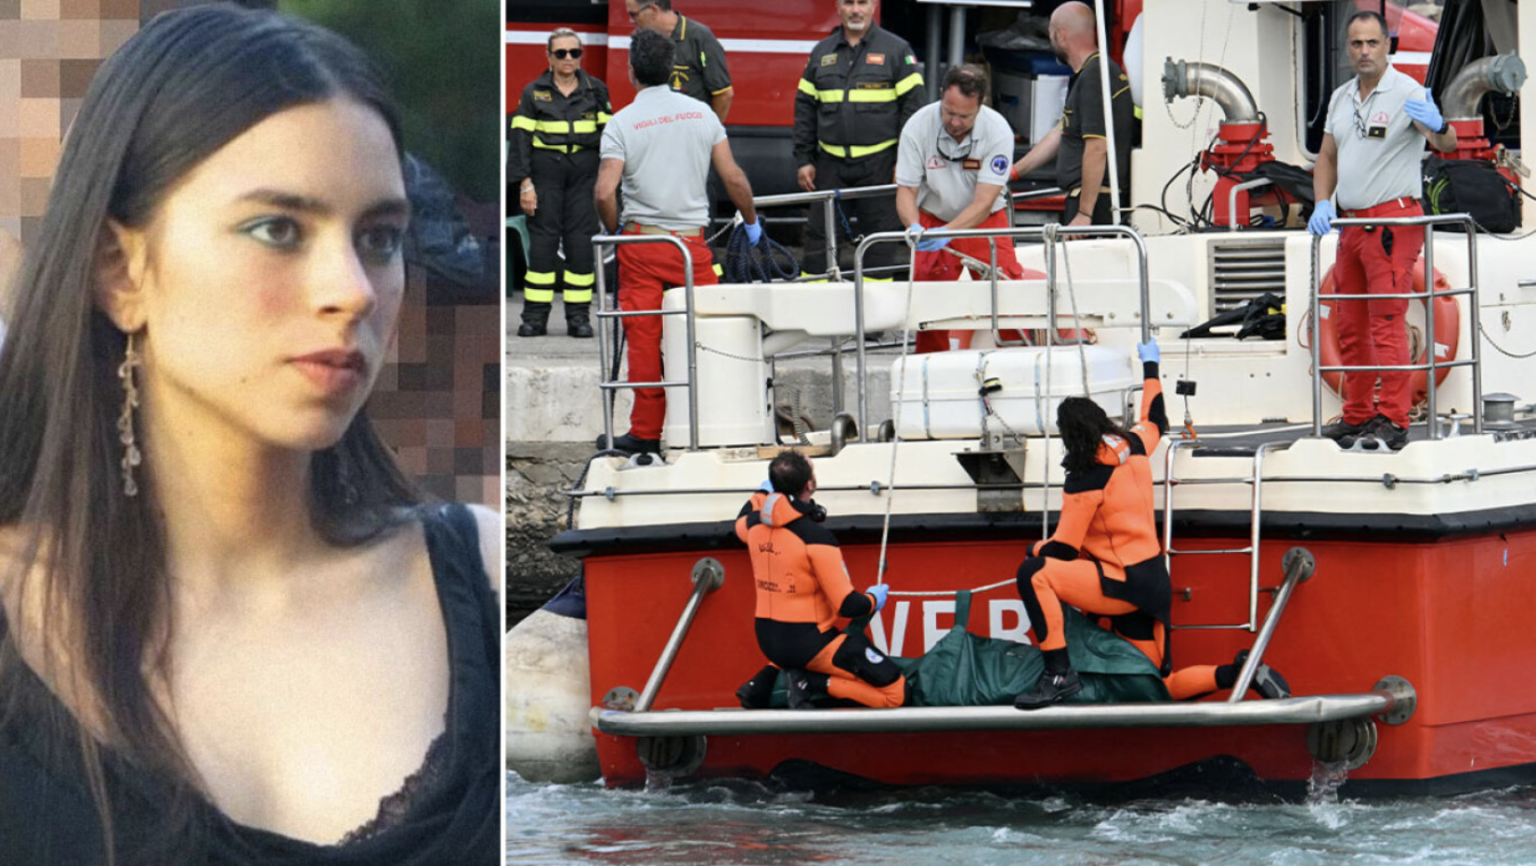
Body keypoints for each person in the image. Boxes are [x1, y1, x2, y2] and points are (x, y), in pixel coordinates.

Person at [0, 7, 501, 863]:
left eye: (379, 239)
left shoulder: (486, 587)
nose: (351, 289)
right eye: (278, 230)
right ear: (121, 272)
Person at [1012, 340, 1289, 709]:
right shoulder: (1134, 445)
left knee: (1034, 573)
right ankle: (1240, 673)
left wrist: (1035, 549)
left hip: (1120, 586)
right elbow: (1156, 418)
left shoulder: (1085, 478)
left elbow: (1063, 549)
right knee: (1159, 685)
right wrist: (1151, 367)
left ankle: (1058, 675)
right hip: (1152, 583)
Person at [595, 28, 761, 455]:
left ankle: (646, 433)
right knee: (705, 334)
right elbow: (733, 177)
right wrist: (752, 222)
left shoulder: (621, 123)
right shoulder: (703, 114)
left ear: (632, 73)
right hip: (692, 247)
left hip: (642, 245)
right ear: (673, 71)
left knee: (645, 337)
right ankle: (712, 423)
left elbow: (603, 192)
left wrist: (615, 230)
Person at [1310, 10, 1457, 451]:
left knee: (1387, 324)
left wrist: (1439, 123)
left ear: (1387, 46)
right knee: (1352, 326)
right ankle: (1357, 415)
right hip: (1351, 225)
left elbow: (1445, 144)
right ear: (1348, 49)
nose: (1364, 51)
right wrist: (1321, 200)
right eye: (1356, 44)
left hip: (1393, 224)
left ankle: (1393, 419)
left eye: (1372, 43)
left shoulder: (1407, 92)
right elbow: (1327, 158)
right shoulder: (1340, 98)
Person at [734, 451, 906, 709]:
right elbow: (848, 605)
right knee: (896, 693)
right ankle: (814, 683)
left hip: (768, 641)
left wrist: (763, 491)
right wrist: (873, 599)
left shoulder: (753, 527)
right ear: (810, 485)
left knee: (792, 646)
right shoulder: (816, 538)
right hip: (810, 644)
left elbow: (741, 518)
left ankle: (772, 677)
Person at [895, 64, 1028, 353]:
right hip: (931, 219)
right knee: (929, 310)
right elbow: (906, 189)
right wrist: (913, 227)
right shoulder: (917, 126)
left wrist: (948, 231)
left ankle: (1016, 365)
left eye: (964, 116)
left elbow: (983, 202)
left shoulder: (998, 132)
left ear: (981, 106)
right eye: (948, 112)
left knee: (1008, 297)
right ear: (942, 96)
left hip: (986, 221)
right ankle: (930, 373)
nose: (954, 122)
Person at [793, 0, 925, 280]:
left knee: (879, 241)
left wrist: (905, 160)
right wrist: (804, 158)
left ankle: (876, 318)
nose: (855, 9)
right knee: (819, 239)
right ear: (838, 6)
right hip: (830, 163)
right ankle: (810, 307)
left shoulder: (896, 50)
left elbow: (914, 110)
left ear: (874, 5)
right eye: (849, 2)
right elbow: (804, 107)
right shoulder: (821, 52)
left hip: (880, 162)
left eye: (862, 2)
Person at [510, 29, 613, 339]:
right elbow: (519, 140)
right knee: (542, 247)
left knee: (580, 246)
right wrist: (525, 184)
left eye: (574, 52)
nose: (568, 58)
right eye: (561, 53)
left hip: (584, 177)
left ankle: (578, 318)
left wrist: (606, 182)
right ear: (549, 57)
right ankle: (534, 319)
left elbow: (609, 141)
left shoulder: (596, 91)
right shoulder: (533, 92)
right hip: (546, 177)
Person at [1007, 1, 1133, 227]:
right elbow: (1060, 132)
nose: (1051, 41)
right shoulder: (1090, 74)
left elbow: (1097, 147)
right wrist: (1015, 172)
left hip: (1095, 205)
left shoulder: (1095, 76)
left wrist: (1084, 213)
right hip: (1089, 200)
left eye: (1051, 35)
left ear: (1061, 36)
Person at [625, 0, 733, 123]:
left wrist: (710, 133)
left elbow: (723, 94)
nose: (631, 21)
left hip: (692, 133)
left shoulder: (700, 37)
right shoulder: (642, 40)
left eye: (634, 14)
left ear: (653, 10)